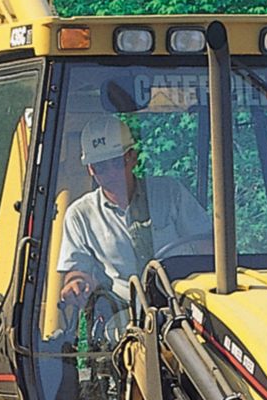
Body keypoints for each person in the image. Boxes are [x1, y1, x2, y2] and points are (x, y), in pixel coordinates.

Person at [54, 115, 205, 321]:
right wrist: (77, 284)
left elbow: (207, 243)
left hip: (185, 306)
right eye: (101, 167)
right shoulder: (80, 215)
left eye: (116, 162)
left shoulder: (169, 193)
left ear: (132, 157)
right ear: (90, 169)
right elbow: (76, 271)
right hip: (123, 319)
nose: (111, 173)